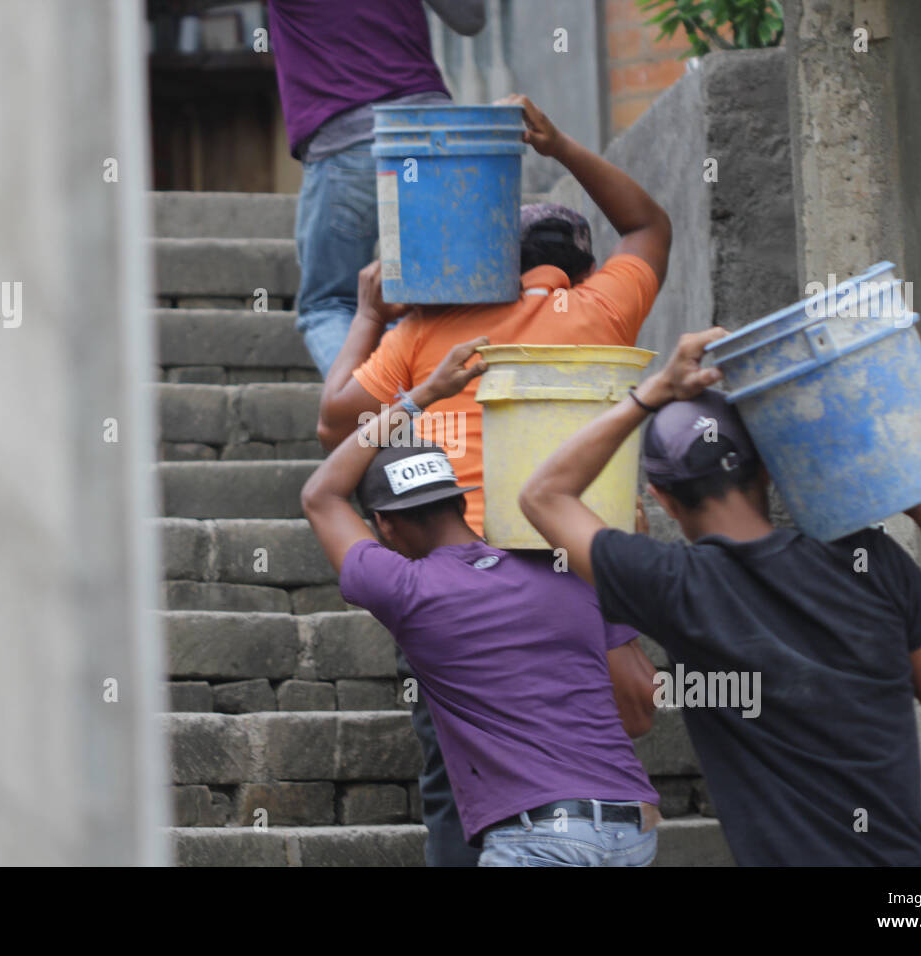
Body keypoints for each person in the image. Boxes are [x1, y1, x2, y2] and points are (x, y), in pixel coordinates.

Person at [518, 327, 921, 865]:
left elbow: (543, 495)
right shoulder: (870, 560)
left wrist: (650, 392)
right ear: (768, 468)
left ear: (661, 499)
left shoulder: (672, 584)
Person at [300, 340, 663, 867]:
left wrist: (422, 395)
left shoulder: (405, 590)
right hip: (632, 828)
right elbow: (639, 710)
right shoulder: (560, 568)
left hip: (536, 841)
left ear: (384, 525)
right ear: (461, 500)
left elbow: (321, 495)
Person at [317, 95, 673, 542]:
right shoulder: (601, 309)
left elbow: (335, 428)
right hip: (584, 544)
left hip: (469, 551)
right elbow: (647, 226)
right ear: (585, 275)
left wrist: (368, 316)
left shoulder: (427, 329)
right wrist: (559, 145)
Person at [266, 0, 486, 374]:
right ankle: (416, 412)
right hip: (431, 136)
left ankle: (367, 411)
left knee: (328, 305)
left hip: (349, 139)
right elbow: (470, 18)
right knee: (426, 300)